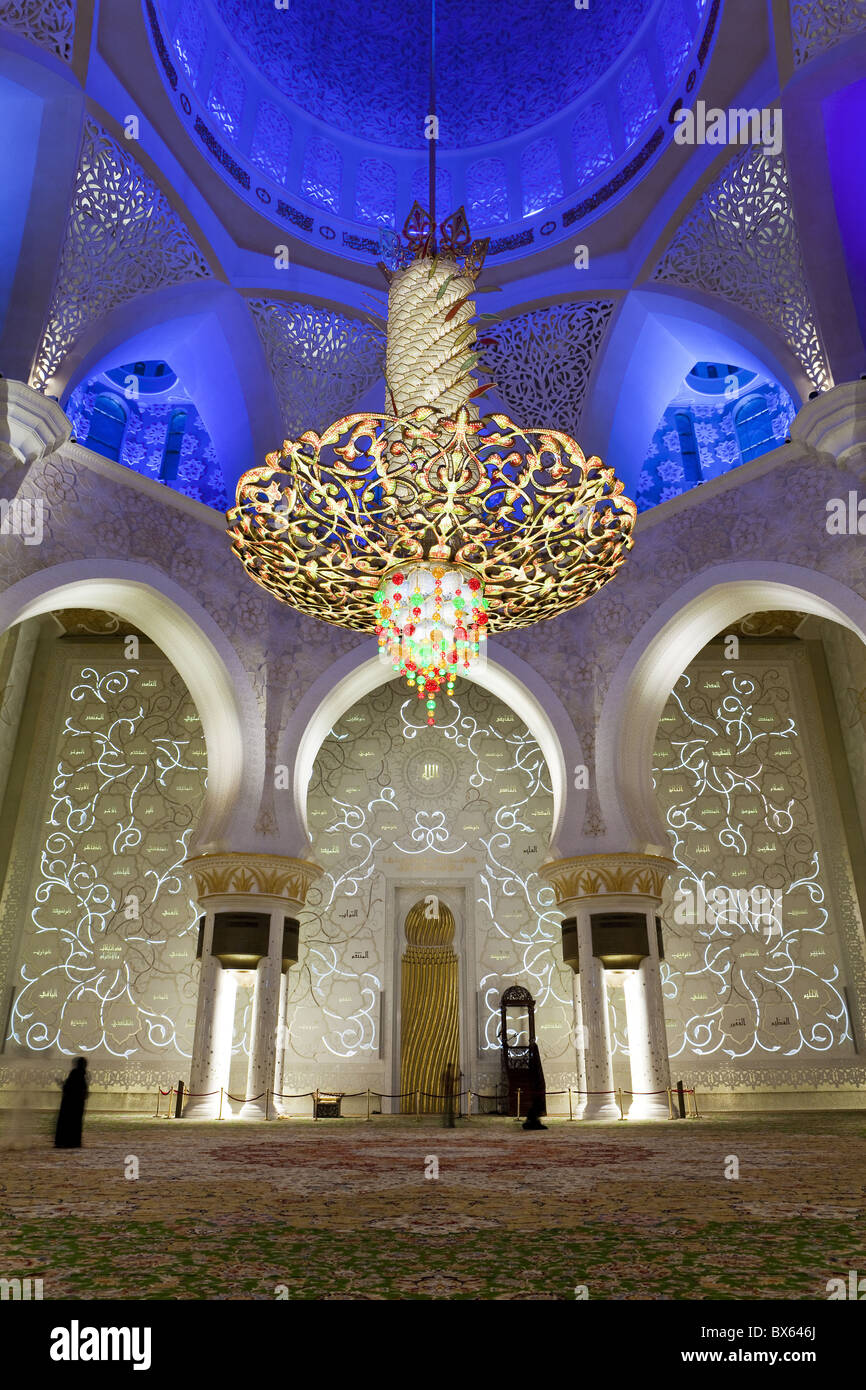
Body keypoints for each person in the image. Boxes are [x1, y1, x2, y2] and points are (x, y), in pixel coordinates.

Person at [55, 1057, 88, 1148]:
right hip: (78, 1105)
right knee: (76, 1125)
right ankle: (74, 1142)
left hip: (69, 1105)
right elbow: (83, 1091)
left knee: (67, 1124)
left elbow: (69, 1088)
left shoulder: (75, 1073)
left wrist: (61, 1083)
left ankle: (65, 1142)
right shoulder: (83, 1075)